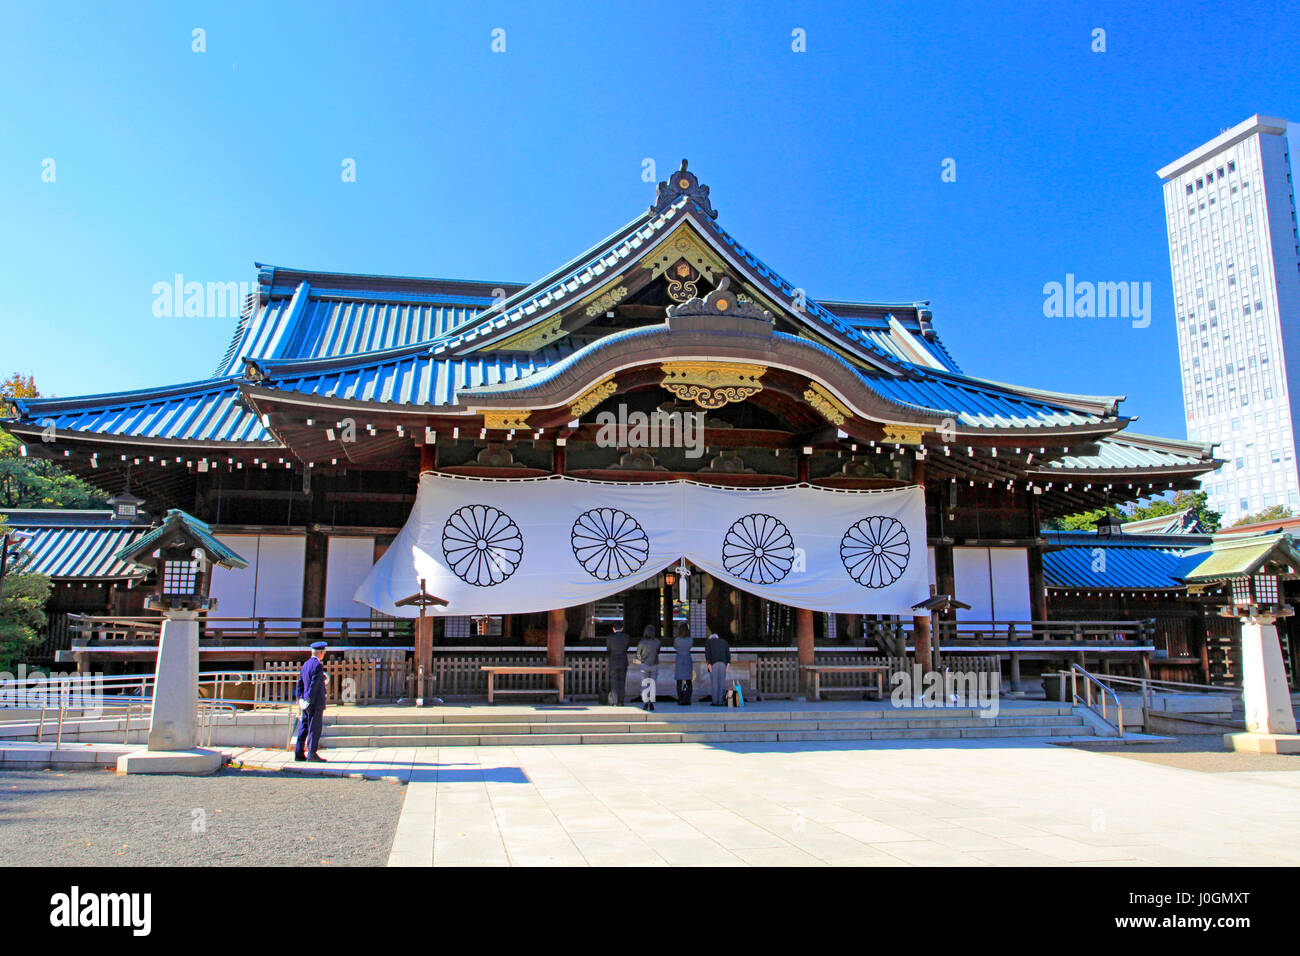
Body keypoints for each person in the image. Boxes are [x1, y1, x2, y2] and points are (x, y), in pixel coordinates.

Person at [294, 641, 329, 762]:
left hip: (305, 701)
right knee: (314, 728)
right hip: (314, 702)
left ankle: (298, 752)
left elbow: (301, 683)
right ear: (321, 652)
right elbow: (314, 685)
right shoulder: (318, 666)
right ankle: (312, 753)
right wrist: (309, 700)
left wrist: (301, 698)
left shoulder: (306, 664)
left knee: (304, 726)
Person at [605, 620, 631, 706]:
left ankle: (614, 701)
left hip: (613, 660)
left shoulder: (609, 637)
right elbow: (627, 647)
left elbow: (608, 649)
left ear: (613, 629)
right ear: (622, 628)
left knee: (614, 681)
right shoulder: (626, 637)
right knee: (622, 681)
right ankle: (621, 701)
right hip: (623, 660)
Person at [636, 624, 660, 711]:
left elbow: (638, 654)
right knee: (653, 684)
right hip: (654, 664)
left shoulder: (641, 642)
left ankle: (645, 702)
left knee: (645, 684)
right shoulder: (657, 642)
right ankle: (652, 703)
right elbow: (658, 652)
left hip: (644, 665)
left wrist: (639, 661)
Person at [705, 632, 731, 707]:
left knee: (715, 683)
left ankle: (715, 702)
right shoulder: (724, 642)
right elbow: (728, 655)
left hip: (714, 664)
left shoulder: (708, 642)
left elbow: (707, 654)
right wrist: (727, 666)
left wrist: (709, 664)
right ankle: (720, 701)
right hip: (723, 664)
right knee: (722, 683)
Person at [672, 623, 694, 706]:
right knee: (689, 680)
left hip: (679, 660)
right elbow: (690, 646)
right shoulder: (690, 640)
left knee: (679, 681)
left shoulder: (677, 640)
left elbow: (675, 647)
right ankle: (688, 698)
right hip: (688, 659)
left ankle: (680, 699)